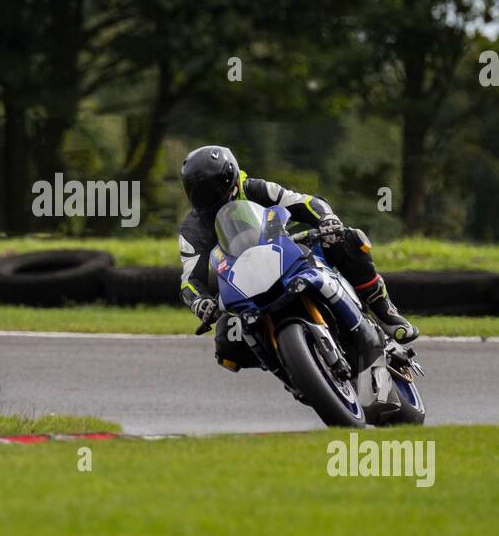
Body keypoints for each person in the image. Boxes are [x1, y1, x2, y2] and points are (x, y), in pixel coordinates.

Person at [176, 145, 418, 373]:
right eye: (201, 192)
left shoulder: (256, 189)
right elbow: (189, 280)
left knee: (347, 239)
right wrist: (201, 302)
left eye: (214, 189)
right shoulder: (192, 231)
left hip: (281, 256)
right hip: (241, 285)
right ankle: (287, 369)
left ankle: (384, 311)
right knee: (227, 342)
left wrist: (327, 219)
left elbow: (303, 202)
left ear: (231, 178)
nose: (211, 197)